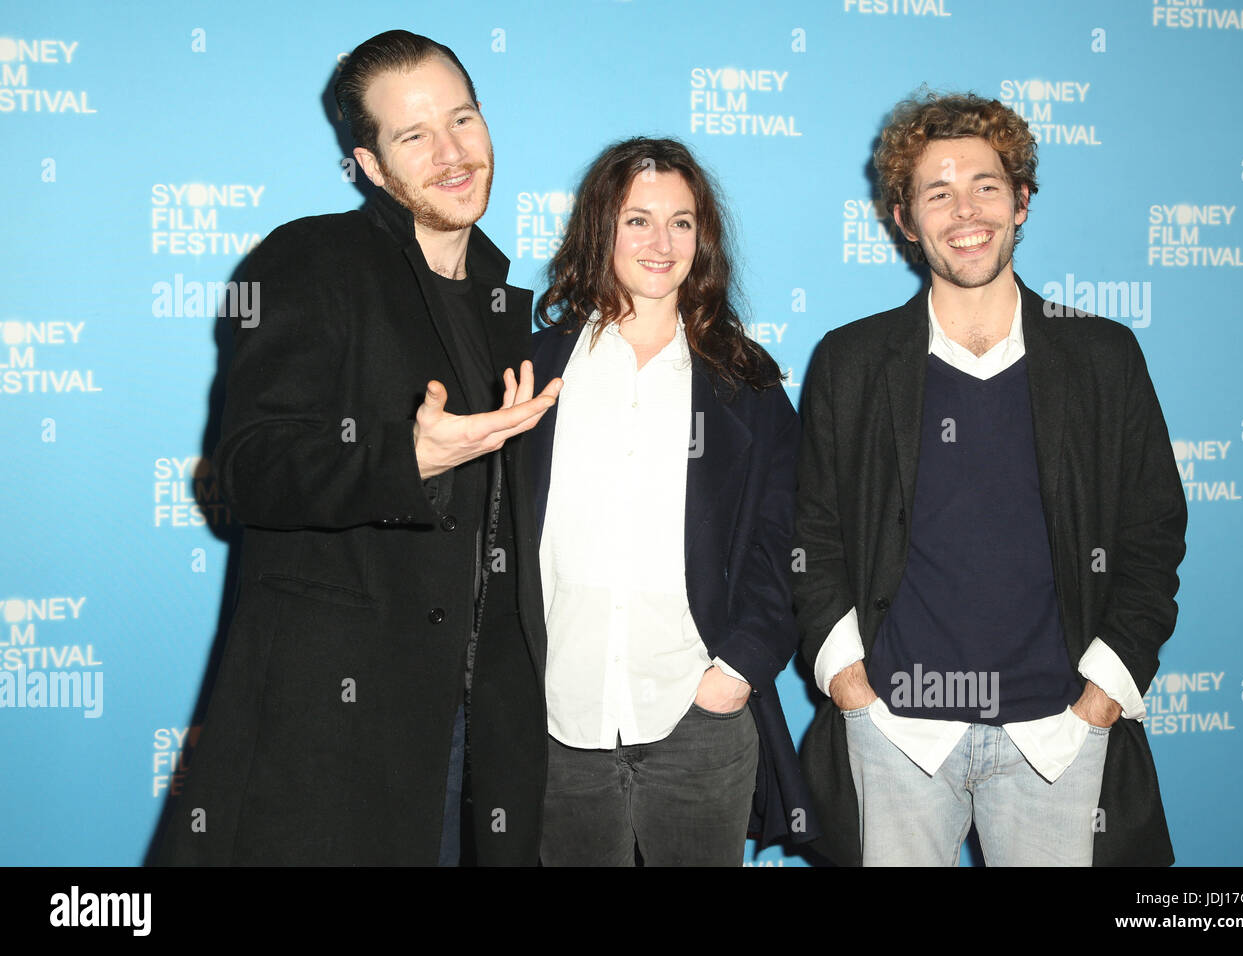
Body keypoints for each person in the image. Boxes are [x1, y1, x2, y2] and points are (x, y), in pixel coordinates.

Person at [153, 30, 561, 865]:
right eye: (414, 136)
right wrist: (403, 460)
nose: (453, 154)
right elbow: (248, 468)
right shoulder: (312, 260)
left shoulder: (510, 312)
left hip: (480, 739)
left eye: (463, 120)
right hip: (337, 739)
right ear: (371, 166)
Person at [795, 92, 1187, 867]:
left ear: (1022, 202)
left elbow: (1153, 536)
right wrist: (849, 686)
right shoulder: (852, 362)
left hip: (1057, 736)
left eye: (985, 185)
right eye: (936, 192)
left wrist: (1100, 700)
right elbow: (811, 535)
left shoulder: (1103, 357)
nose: (964, 210)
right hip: (899, 734)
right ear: (905, 219)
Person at [530, 137, 815, 865]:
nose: (662, 243)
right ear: (600, 229)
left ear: (703, 238)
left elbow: (785, 541)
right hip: (554, 723)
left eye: (682, 222)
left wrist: (738, 669)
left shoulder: (745, 385)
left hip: (698, 720)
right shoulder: (533, 368)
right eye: (637, 220)